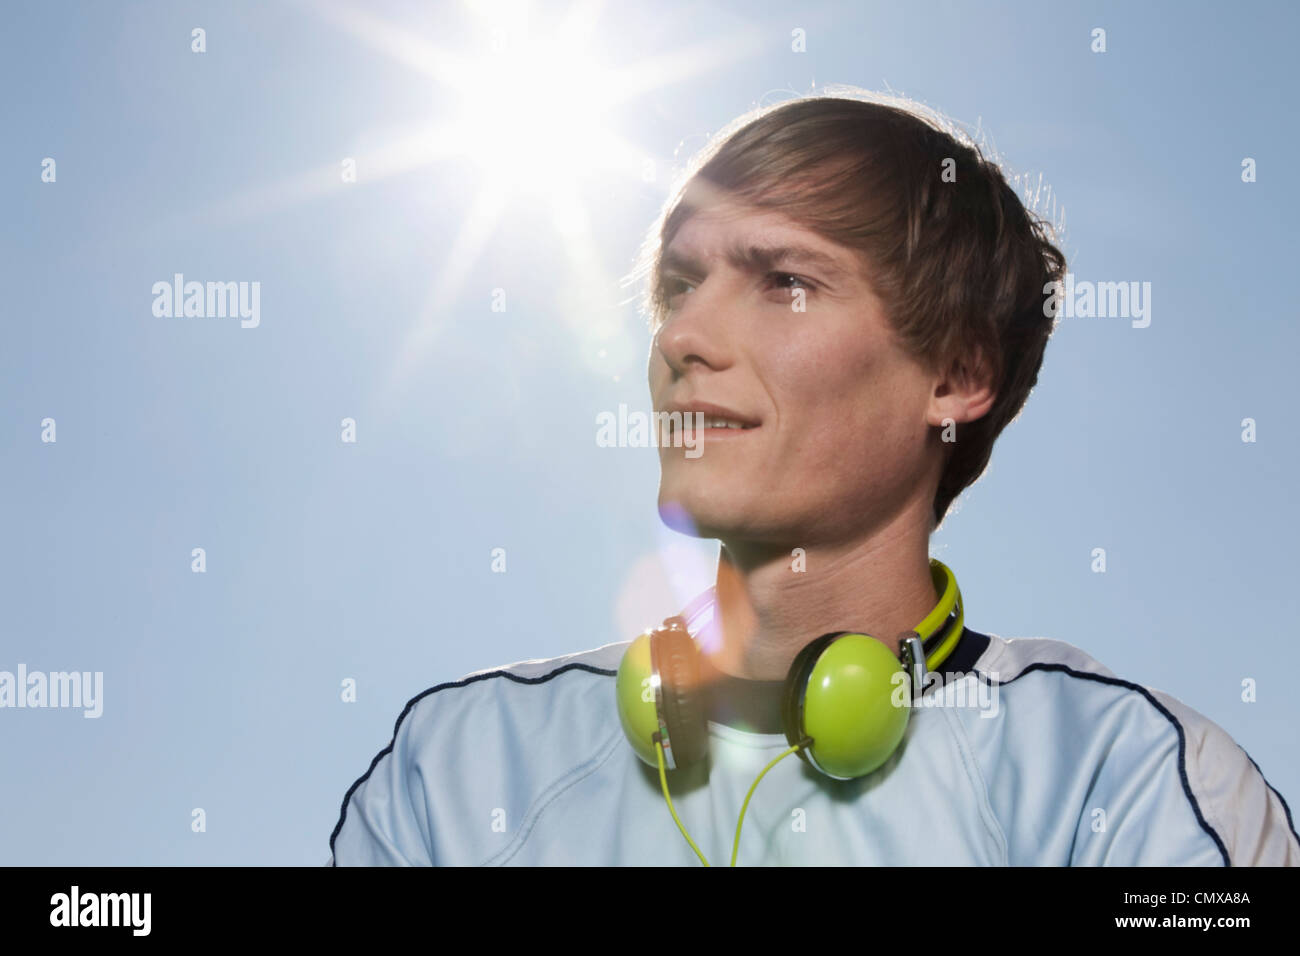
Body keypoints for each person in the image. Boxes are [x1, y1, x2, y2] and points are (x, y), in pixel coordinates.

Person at [328, 90, 1298, 866]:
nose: (680, 336)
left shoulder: (1120, 782)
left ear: (957, 375)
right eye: (678, 283)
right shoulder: (454, 771)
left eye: (785, 281)